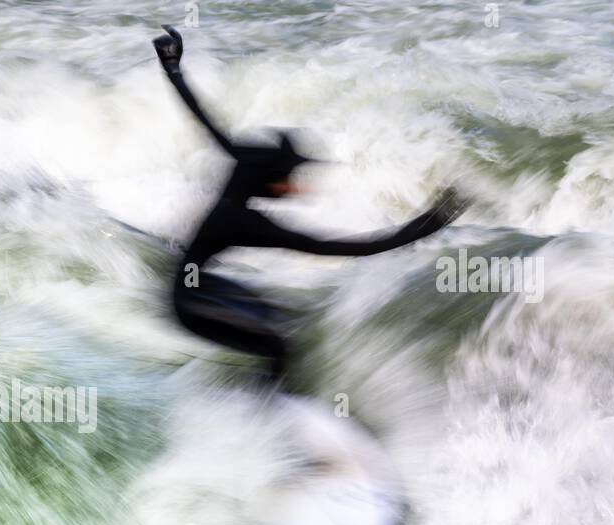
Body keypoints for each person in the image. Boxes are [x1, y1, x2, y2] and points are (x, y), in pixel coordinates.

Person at [152, 26, 466, 378]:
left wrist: (173, 67)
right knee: (281, 346)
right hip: (189, 302)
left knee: (288, 317)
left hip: (199, 282)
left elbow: (206, 121)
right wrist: (433, 222)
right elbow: (349, 248)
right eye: (290, 179)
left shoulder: (244, 165)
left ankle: (254, 387)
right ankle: (270, 411)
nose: (295, 188)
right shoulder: (244, 222)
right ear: (271, 178)